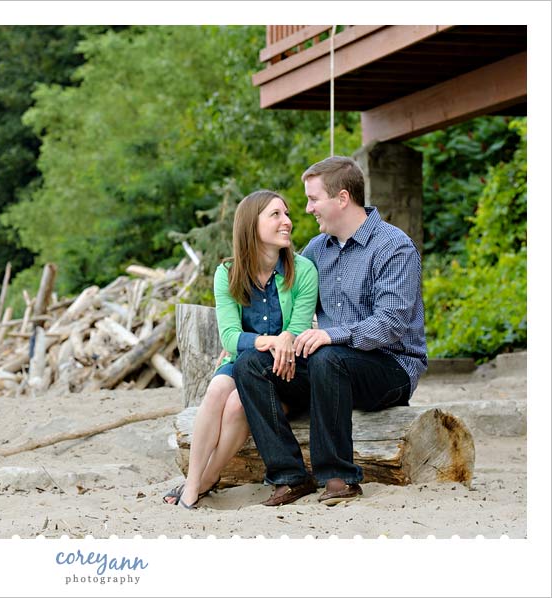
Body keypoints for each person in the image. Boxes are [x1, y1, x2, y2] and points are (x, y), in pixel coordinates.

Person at [233, 156, 428, 507]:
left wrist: (329, 335)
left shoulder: (393, 246)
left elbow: (392, 324)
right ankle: (290, 477)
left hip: (390, 367)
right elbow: (288, 308)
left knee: (327, 356)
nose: (306, 210)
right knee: (250, 363)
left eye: (313, 199)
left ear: (341, 199)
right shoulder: (315, 251)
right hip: (330, 365)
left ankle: (339, 477)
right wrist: (282, 342)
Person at [163, 190, 318, 509]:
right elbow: (230, 337)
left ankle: (205, 480)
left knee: (236, 405)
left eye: (287, 214)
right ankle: (194, 482)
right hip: (246, 360)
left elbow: (299, 330)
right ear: (251, 224)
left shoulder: (303, 270)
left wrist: (283, 340)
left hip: (286, 369)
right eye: (276, 215)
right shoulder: (228, 273)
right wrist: (270, 340)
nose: (287, 221)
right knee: (218, 387)